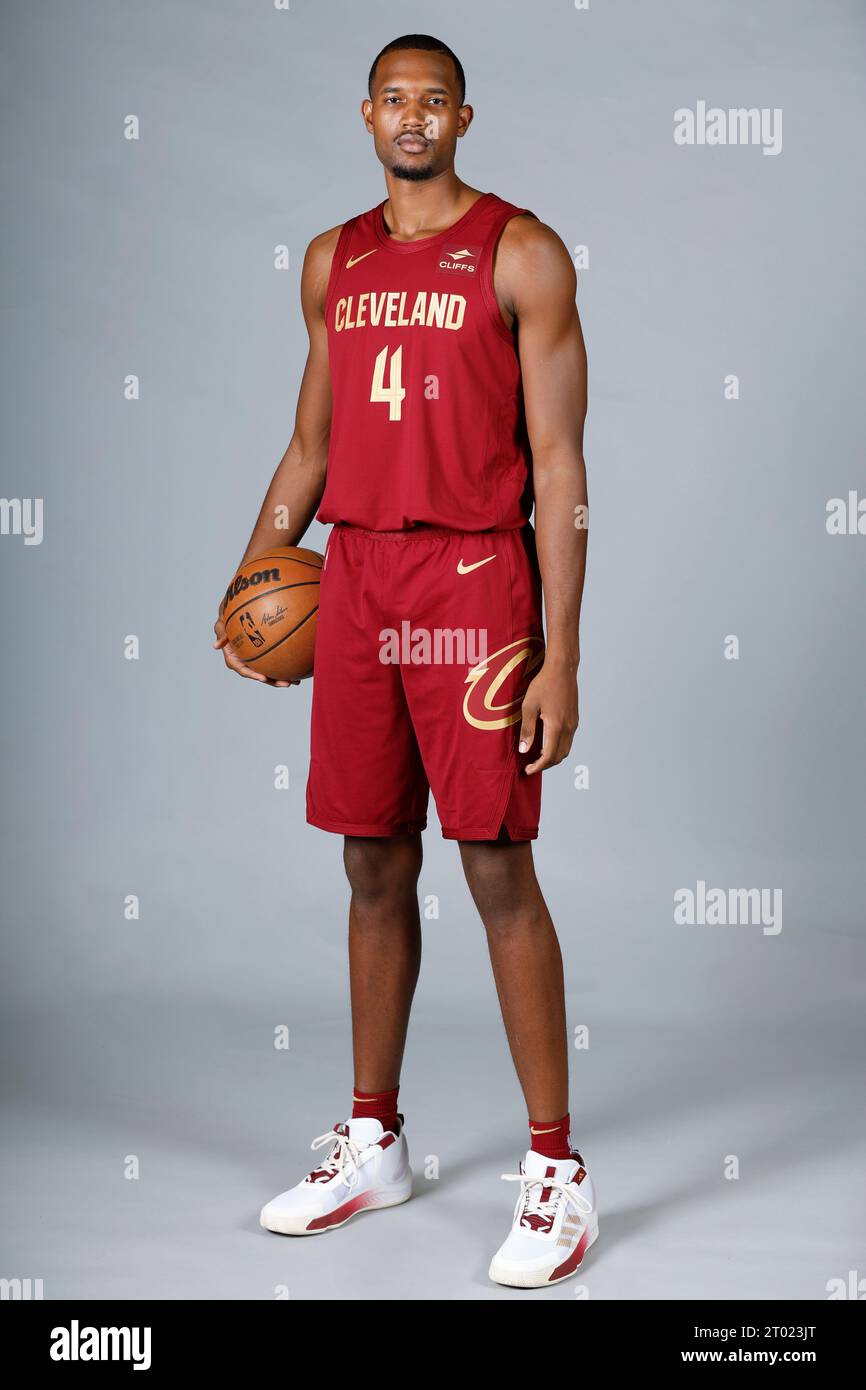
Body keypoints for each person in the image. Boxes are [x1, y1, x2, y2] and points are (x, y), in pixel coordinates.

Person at [214, 33, 595, 1288]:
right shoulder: (335, 259)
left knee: (494, 863)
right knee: (370, 858)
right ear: (365, 114)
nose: (413, 117)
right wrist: (255, 567)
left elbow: (557, 469)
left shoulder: (520, 250)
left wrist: (563, 654)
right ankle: (373, 1139)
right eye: (395, 99)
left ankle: (556, 1173)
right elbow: (308, 443)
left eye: (435, 100)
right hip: (362, 577)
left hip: (478, 578)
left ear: (465, 117)